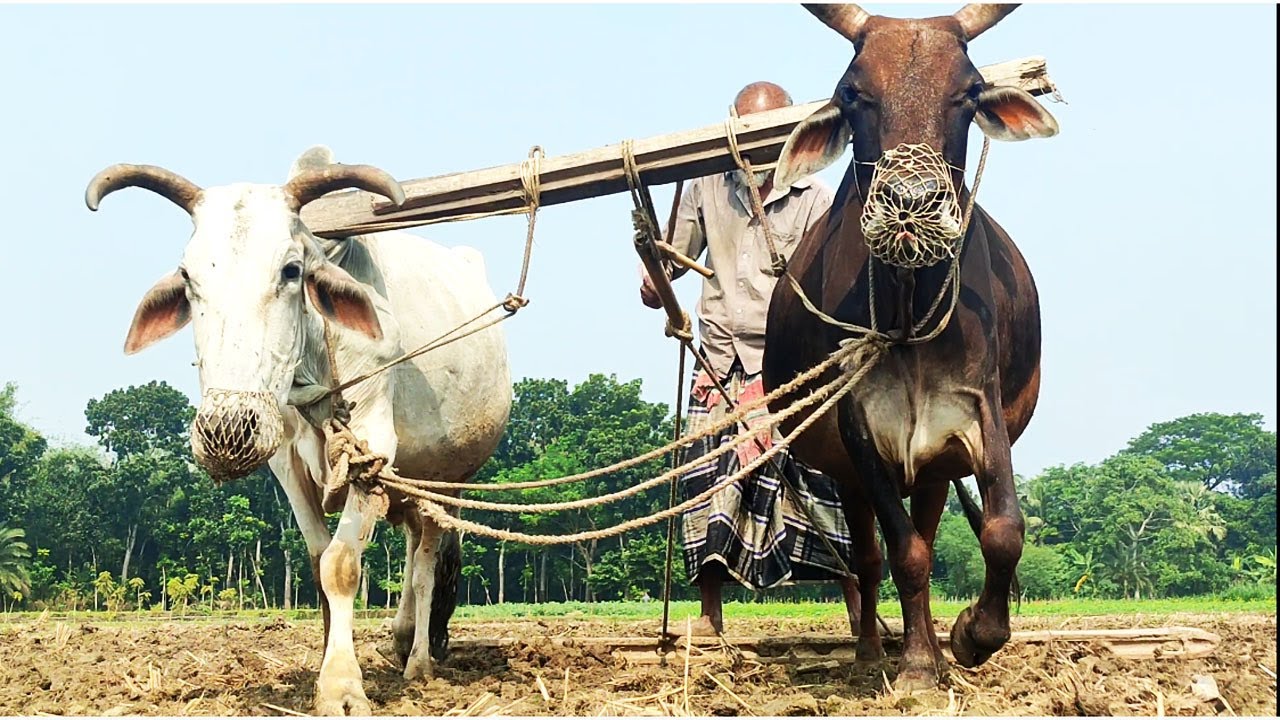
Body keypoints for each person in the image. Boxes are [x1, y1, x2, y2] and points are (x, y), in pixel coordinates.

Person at [641, 81, 862, 637]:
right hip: (720, 355)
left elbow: (827, 284)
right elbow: (672, 260)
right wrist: (655, 276)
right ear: (731, 131)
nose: (755, 144)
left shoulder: (814, 196)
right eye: (745, 132)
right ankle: (710, 616)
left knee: (826, 482)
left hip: (791, 362)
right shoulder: (705, 184)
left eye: (768, 133)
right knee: (707, 483)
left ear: (791, 133)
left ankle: (858, 603)